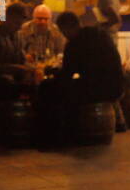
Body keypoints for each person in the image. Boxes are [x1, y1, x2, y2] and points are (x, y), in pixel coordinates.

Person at [34, 12, 125, 148]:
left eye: (63, 31)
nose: (64, 35)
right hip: (117, 86)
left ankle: (56, 136)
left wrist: (50, 78)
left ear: (67, 28)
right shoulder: (99, 34)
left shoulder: (75, 44)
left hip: (99, 89)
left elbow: (67, 74)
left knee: (48, 89)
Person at [0, 2, 36, 103]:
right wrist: (17, 68)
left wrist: (32, 69)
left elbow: (22, 60)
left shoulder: (17, 36)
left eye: (21, 23)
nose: (19, 27)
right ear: (7, 18)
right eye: (17, 23)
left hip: (13, 78)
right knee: (7, 85)